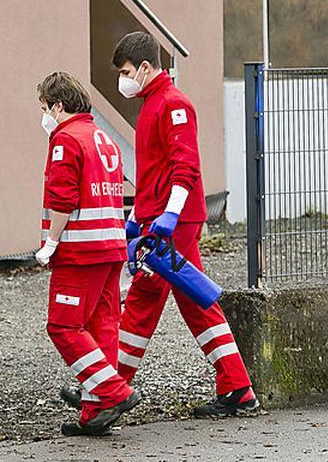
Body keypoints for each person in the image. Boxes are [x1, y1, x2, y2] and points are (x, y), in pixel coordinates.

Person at [63, 32, 260, 417]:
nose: (123, 80)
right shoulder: (155, 104)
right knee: (192, 301)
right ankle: (237, 388)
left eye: (126, 72)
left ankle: (108, 388)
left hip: (173, 224)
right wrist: (136, 218)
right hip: (162, 221)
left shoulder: (172, 105)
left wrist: (168, 216)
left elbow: (185, 168)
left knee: (143, 300)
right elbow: (153, 174)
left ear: (145, 67)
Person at [35, 71, 141, 436]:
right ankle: (95, 410)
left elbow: (62, 197)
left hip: (80, 249)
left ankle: (112, 392)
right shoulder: (102, 137)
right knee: (102, 326)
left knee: (63, 326)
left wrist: (50, 242)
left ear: (58, 106)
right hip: (111, 246)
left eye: (45, 107)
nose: (45, 115)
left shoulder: (66, 139)